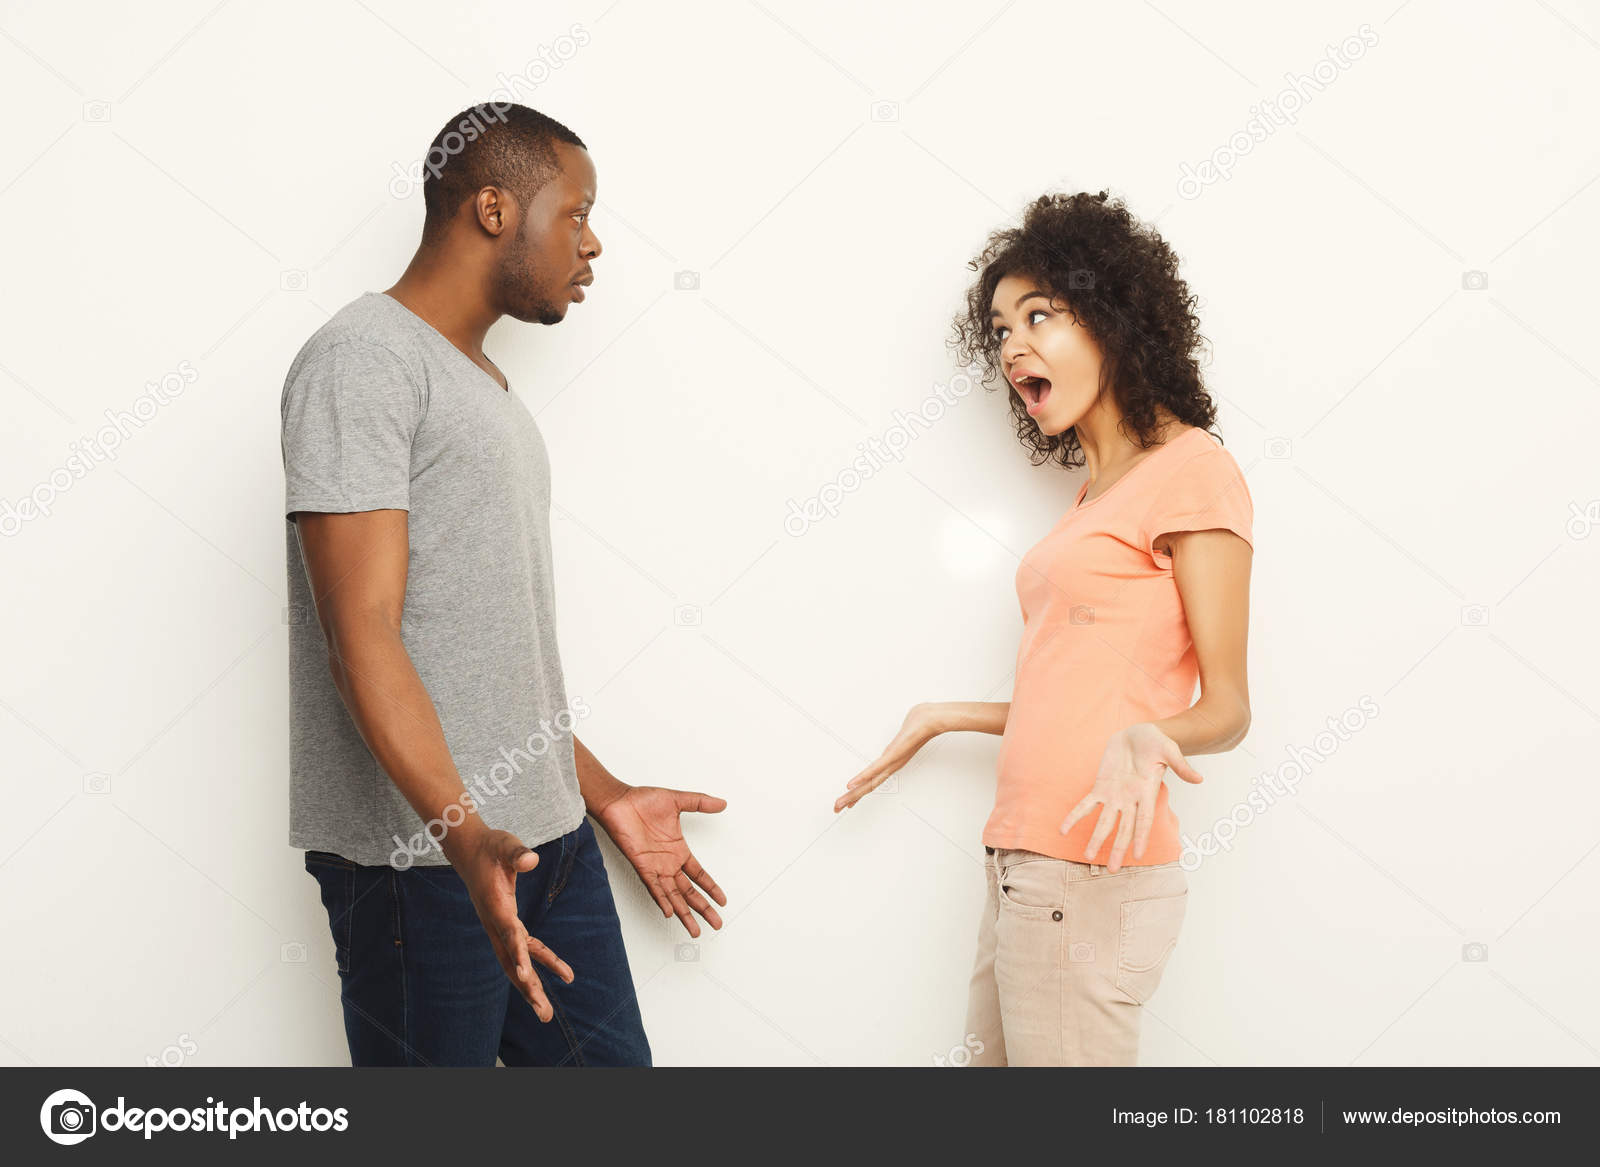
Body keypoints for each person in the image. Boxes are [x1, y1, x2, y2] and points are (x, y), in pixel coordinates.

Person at [280, 103, 726, 1067]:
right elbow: (362, 633)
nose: (593, 241)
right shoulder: (364, 362)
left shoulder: (480, 385)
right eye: (576, 211)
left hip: (543, 841)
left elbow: (485, 653)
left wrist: (600, 794)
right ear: (492, 208)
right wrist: (461, 831)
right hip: (424, 864)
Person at [834, 191, 1254, 1066]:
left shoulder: (1194, 471)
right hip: (1026, 862)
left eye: (1039, 315)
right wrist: (951, 712)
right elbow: (1082, 690)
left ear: (1112, 319)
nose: (1012, 345)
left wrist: (1148, 739)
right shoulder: (1095, 498)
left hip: (1087, 874)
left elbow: (1228, 706)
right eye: (997, 330)